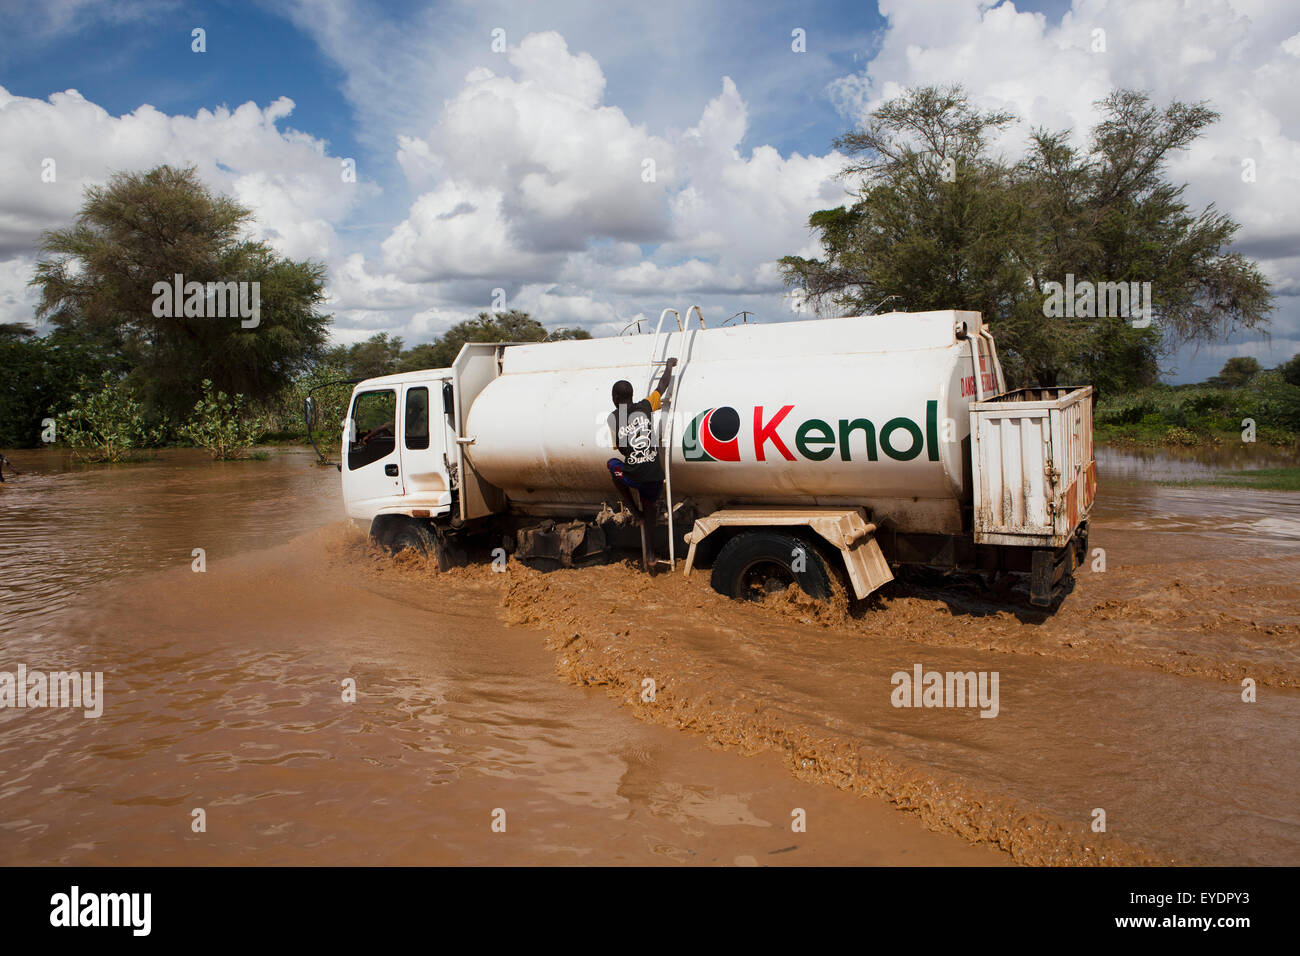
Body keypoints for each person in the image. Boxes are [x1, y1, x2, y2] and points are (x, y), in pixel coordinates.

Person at [607, 358, 677, 532]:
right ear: (632, 395)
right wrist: (668, 366)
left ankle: (634, 512)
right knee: (648, 503)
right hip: (656, 479)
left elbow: (623, 450)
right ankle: (652, 553)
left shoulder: (613, 418)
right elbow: (662, 386)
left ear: (615, 398)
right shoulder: (645, 406)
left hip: (634, 478)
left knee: (612, 464)